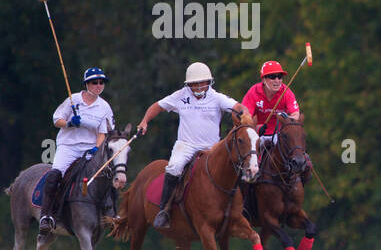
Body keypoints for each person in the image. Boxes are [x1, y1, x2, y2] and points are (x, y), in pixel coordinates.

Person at [137, 62, 247, 229]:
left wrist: (244, 113)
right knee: (174, 167)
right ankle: (164, 210)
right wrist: (145, 121)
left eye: (202, 82)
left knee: (235, 165)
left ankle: (238, 208)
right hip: (186, 144)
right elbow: (157, 106)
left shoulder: (216, 97)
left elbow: (237, 106)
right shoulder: (180, 95)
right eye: (194, 83)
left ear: (209, 82)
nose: (198, 86)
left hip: (212, 148)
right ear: (188, 84)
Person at [39, 67, 115, 235]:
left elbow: (103, 133)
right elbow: (56, 119)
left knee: (108, 174)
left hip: (90, 148)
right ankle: (47, 216)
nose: (98, 85)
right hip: (68, 147)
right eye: (94, 82)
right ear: (86, 84)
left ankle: (111, 214)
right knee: (55, 175)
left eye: (101, 82)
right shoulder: (73, 100)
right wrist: (68, 123)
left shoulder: (104, 107)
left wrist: (96, 148)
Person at [242, 59, 310, 185]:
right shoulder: (254, 92)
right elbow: (246, 117)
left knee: (305, 161)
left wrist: (286, 120)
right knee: (246, 165)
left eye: (280, 77)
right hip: (259, 136)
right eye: (272, 77)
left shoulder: (286, 92)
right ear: (263, 79)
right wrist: (256, 128)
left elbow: (295, 114)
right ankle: (243, 195)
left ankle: (298, 186)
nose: (277, 80)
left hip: (279, 136)